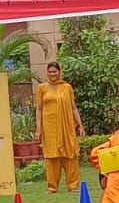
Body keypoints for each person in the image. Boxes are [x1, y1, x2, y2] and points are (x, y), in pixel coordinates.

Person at [35, 61, 86, 193]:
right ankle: (52, 187)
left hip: (67, 126)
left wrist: (80, 125)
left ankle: (73, 185)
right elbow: (39, 109)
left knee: (70, 154)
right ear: (47, 73)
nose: (52, 74)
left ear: (59, 72)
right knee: (51, 156)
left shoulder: (67, 87)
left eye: (55, 71)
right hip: (49, 128)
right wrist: (38, 129)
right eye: (50, 71)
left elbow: (73, 108)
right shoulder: (42, 88)